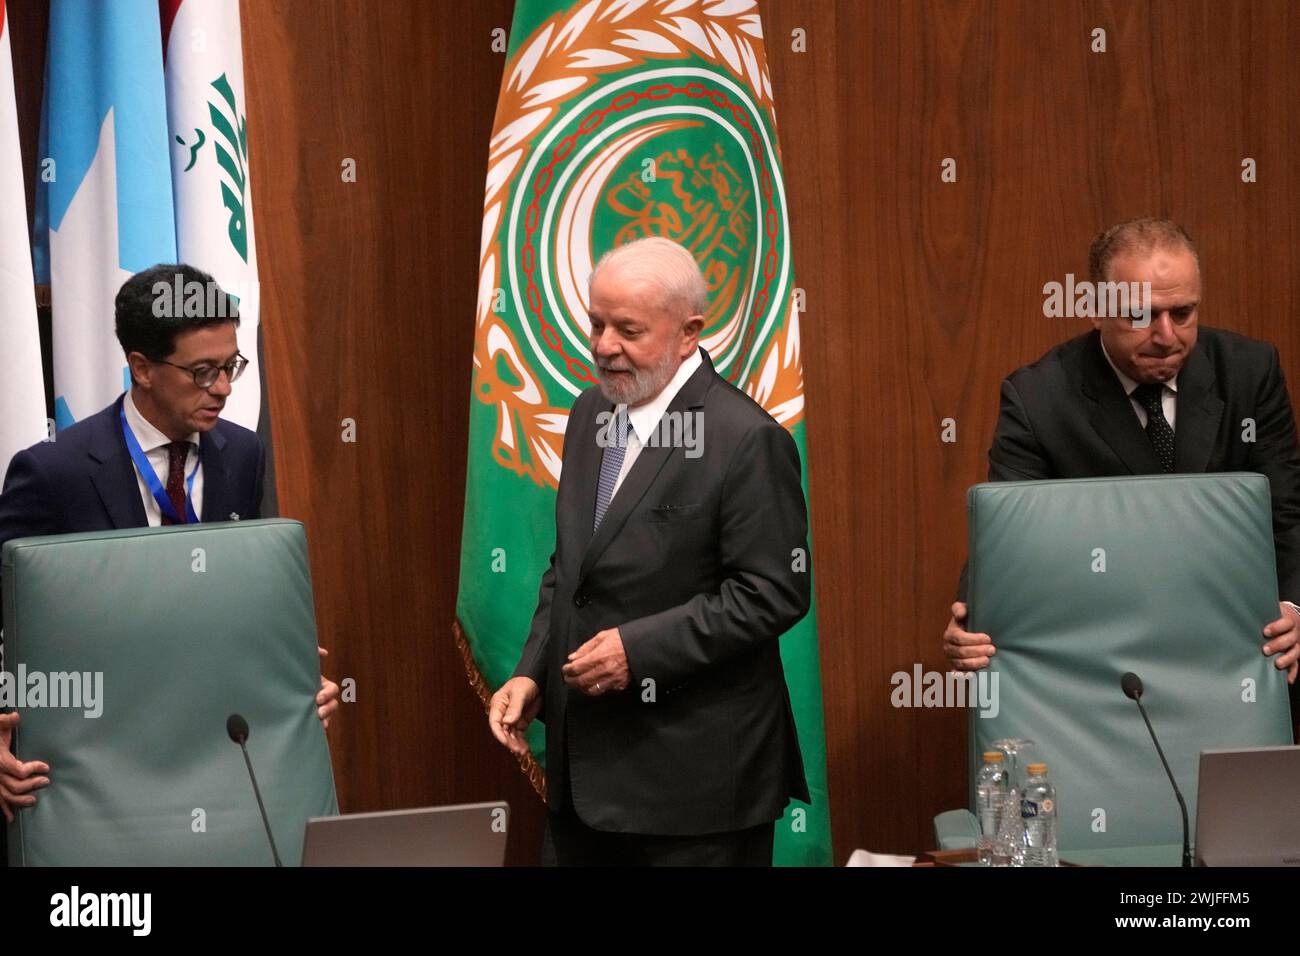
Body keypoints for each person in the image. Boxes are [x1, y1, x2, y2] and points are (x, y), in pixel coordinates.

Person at [487, 236, 811, 865]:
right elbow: (573, 568)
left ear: (689, 333)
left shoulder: (745, 439)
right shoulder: (589, 414)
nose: (604, 345)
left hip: (693, 798)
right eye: (596, 324)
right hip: (582, 787)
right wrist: (533, 672)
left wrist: (638, 651)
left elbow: (773, 591)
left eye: (628, 330)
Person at [0, 264, 340, 829]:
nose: (226, 389)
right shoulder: (51, 472)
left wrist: (298, 682)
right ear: (142, 368)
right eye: (204, 372)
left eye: (230, 366)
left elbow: (249, 604)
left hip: (217, 753)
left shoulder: (244, 454)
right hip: (99, 771)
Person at [943, 219, 1300, 705]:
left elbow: (1284, 511)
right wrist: (972, 618)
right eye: (1141, 315)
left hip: (1233, 646)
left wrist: (1293, 606)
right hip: (1103, 657)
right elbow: (1008, 529)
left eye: (1184, 312)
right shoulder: (1039, 397)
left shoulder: (1249, 372)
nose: (1166, 335)